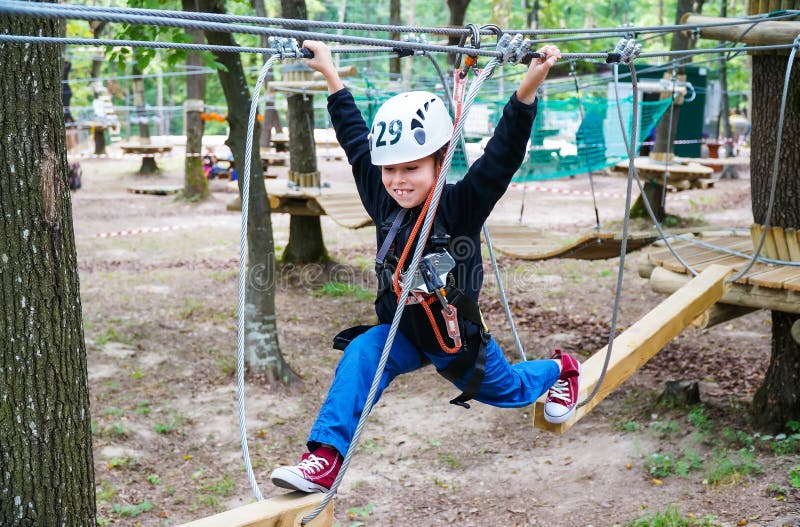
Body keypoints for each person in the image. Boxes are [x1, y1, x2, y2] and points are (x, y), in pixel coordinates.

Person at [270, 41, 580, 494]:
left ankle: (561, 369)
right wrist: (332, 77)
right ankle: (325, 458)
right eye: (390, 170)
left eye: (412, 169)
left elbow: (503, 155)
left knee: (507, 390)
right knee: (360, 355)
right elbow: (357, 144)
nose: (398, 181)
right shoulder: (383, 201)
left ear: (440, 162)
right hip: (400, 330)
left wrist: (527, 88)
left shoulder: (461, 205)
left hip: (454, 339)